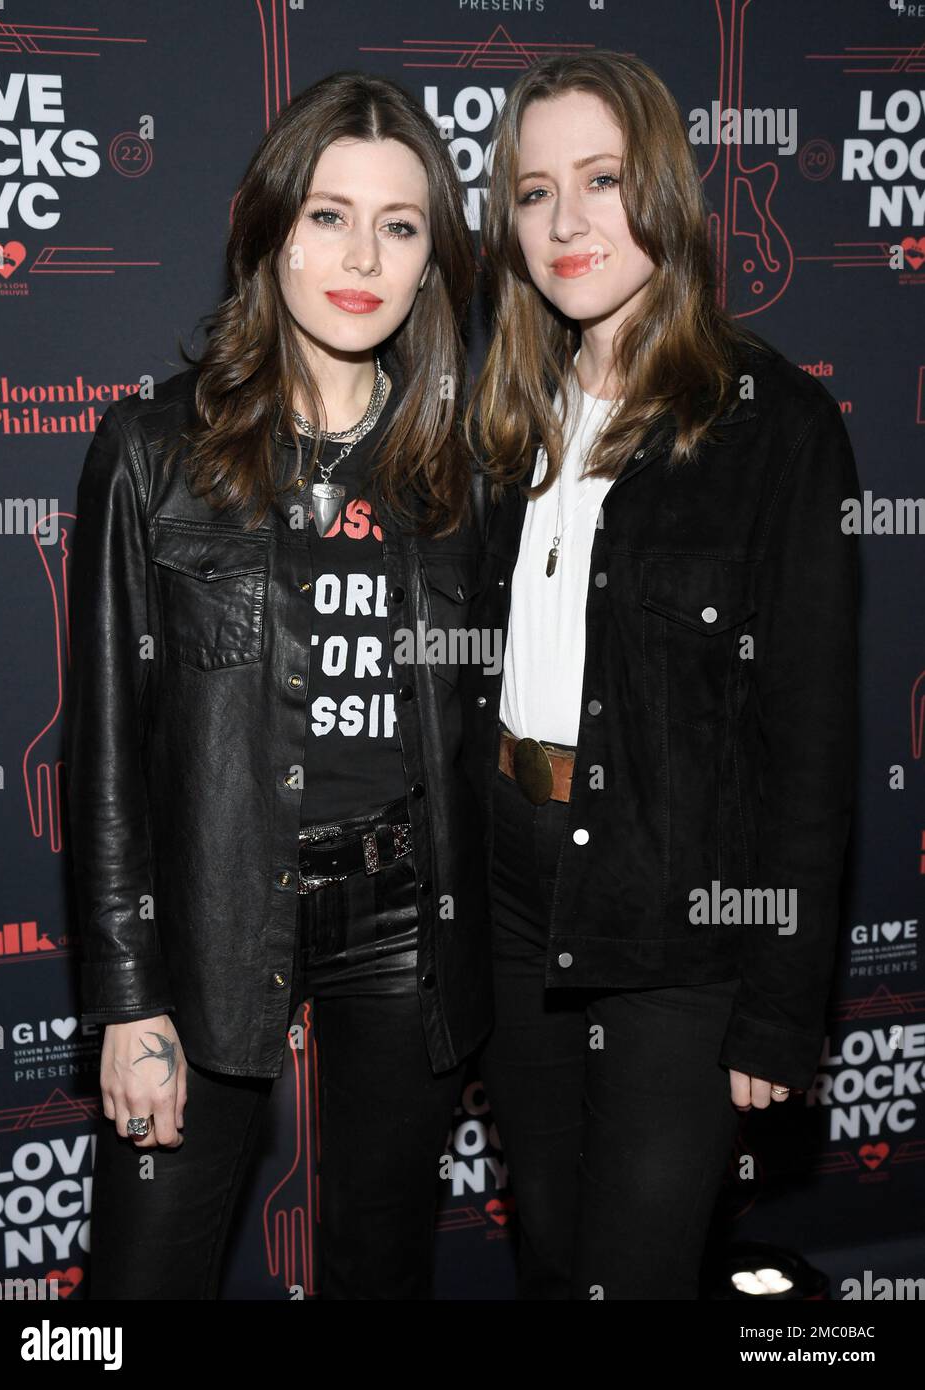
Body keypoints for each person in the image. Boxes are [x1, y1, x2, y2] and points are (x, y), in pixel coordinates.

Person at [63, 70, 491, 1300]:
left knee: (381, 1260)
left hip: (409, 921)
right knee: (143, 1281)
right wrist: (129, 1000)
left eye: (400, 225)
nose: (364, 253)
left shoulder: (460, 471)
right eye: (328, 214)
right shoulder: (154, 451)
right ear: (268, 231)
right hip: (212, 912)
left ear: (430, 260)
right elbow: (105, 753)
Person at [462, 51, 860, 1300]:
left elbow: (810, 748)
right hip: (516, 902)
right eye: (535, 191)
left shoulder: (776, 428)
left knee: (633, 1276)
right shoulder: (500, 415)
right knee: (557, 1258)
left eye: (603, 180)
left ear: (671, 198)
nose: (567, 222)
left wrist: (784, 1012)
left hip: (682, 931)